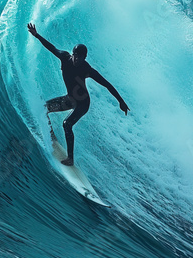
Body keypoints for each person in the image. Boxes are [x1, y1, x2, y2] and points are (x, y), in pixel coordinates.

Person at [27, 23, 129, 166]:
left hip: (82, 103)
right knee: (43, 108)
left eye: (80, 58)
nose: (77, 60)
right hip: (70, 99)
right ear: (72, 54)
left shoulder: (87, 69)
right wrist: (36, 35)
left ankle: (70, 159)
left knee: (67, 124)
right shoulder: (64, 57)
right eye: (75, 56)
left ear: (85, 57)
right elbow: (51, 48)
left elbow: (107, 84)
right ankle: (51, 136)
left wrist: (121, 101)